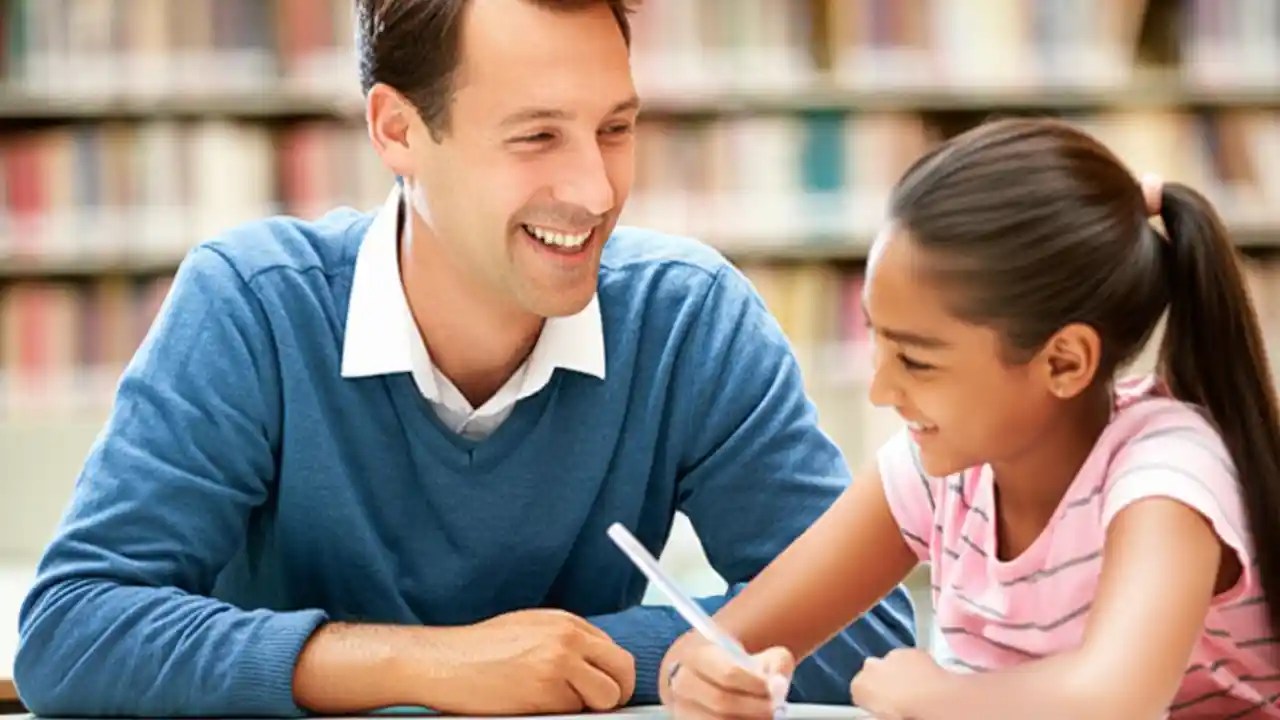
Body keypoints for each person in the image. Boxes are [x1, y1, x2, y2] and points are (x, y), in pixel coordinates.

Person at [11, 0, 917, 716]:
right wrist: (434, 664)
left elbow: (865, 638)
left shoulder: (688, 320)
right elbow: (74, 631)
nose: (596, 192)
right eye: (536, 137)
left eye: (614, 129)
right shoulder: (253, 306)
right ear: (398, 130)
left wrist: (581, 658)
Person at [659, 117, 1280, 720]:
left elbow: (1114, 701)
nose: (879, 390)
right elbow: (709, 645)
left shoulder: (1167, 471)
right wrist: (701, 678)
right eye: (877, 342)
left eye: (917, 360)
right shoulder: (936, 474)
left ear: (1064, 362)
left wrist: (928, 697)